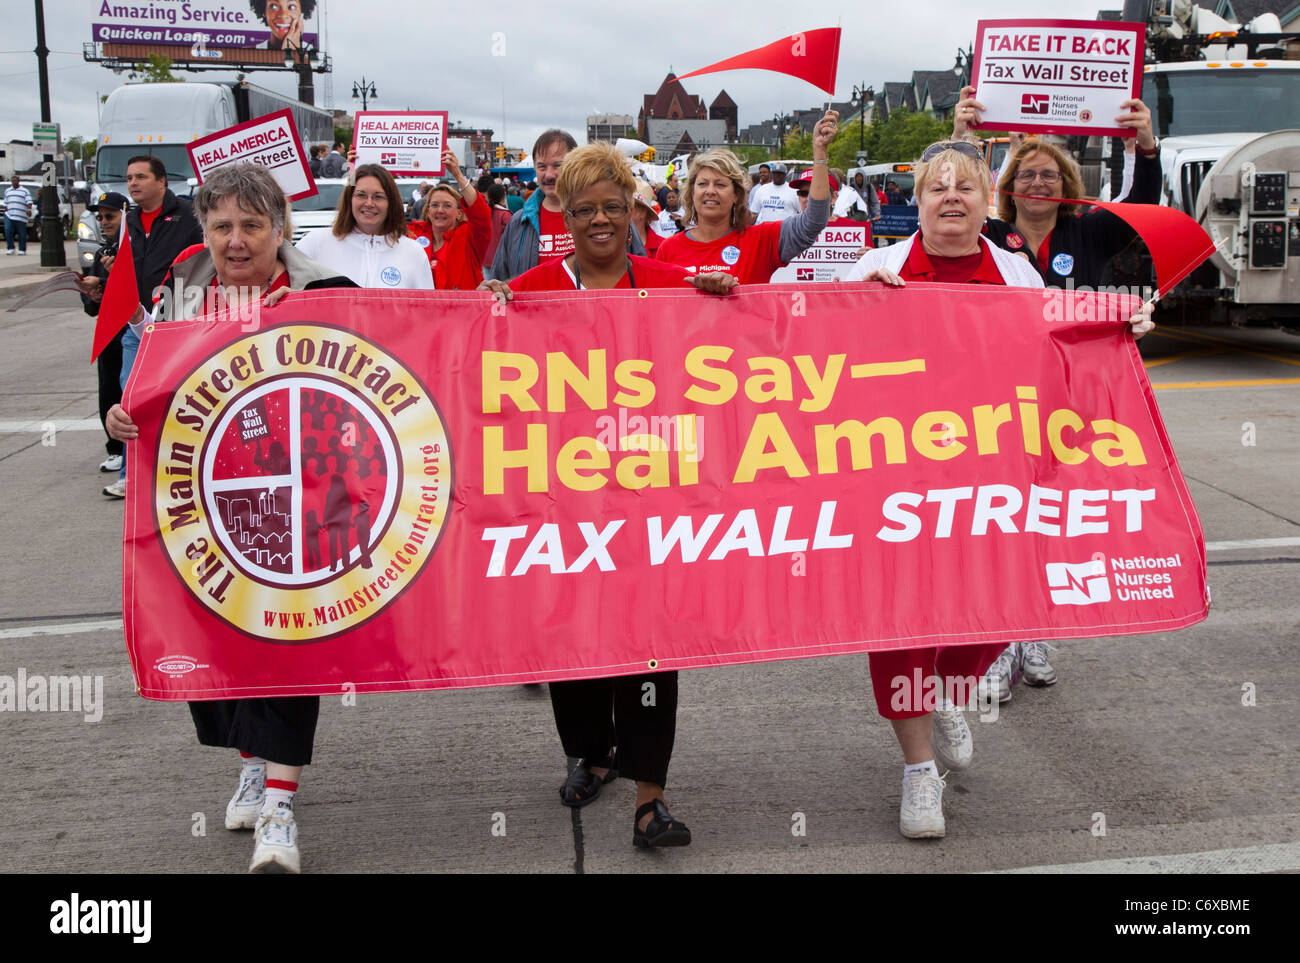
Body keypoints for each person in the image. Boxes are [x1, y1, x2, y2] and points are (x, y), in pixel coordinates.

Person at [845, 140, 1154, 838]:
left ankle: (949, 689)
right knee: (896, 618)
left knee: (994, 607)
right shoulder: (873, 268)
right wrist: (856, 307)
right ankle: (920, 769)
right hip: (895, 479)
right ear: (915, 202)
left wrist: (1123, 323)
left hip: (994, 477)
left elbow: (1068, 337)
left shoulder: (1019, 273)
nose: (951, 197)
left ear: (989, 201)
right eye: (936, 187)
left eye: (965, 186)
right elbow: (788, 332)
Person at [479, 141, 735, 849]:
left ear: (633, 212)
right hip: (563, 502)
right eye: (585, 207)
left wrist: (721, 299)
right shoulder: (528, 291)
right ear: (564, 211)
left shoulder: (668, 282)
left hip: (652, 500)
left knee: (653, 646)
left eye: (613, 207)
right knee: (573, 641)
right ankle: (593, 754)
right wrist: (481, 314)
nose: (599, 220)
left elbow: (738, 350)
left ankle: (650, 797)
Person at [106, 162, 358, 874]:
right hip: (207, 507)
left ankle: (279, 803)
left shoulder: (326, 294)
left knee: (286, 646)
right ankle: (251, 762)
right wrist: (118, 414)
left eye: (253, 225)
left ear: (280, 229)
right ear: (205, 232)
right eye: (222, 226)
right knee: (217, 644)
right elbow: (140, 388)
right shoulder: (179, 295)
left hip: (306, 505)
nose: (237, 240)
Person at [951, 84, 1160, 289]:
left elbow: (1141, 206)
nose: (1037, 183)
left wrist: (1146, 147)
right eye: (1026, 175)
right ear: (1010, 189)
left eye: (1049, 175)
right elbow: (949, 198)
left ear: (1065, 187)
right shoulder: (987, 235)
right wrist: (959, 137)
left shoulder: (1089, 233)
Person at [100, 156, 204, 499]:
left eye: (141, 176)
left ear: (162, 181)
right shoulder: (127, 221)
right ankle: (132, 476)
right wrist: (102, 277)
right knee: (132, 396)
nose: (132, 183)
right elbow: (122, 268)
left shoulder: (188, 215)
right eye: (129, 177)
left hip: (178, 320)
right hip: (135, 325)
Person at [655, 110, 838, 283]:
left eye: (720, 184)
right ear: (692, 193)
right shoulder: (668, 249)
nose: (710, 190)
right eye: (702, 184)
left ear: (736, 195)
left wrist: (820, 151)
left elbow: (814, 221)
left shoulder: (762, 240)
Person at [490, 129, 646, 281]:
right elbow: (500, 280)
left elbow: (640, 272)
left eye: (557, 165)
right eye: (542, 166)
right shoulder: (519, 223)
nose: (549, 174)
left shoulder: (613, 217)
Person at [296, 164, 433, 289]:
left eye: (378, 197)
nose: (369, 203)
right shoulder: (316, 243)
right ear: (350, 199)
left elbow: (425, 310)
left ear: (391, 203)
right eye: (361, 195)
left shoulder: (413, 252)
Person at [74, 191, 130, 476]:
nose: (104, 222)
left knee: (128, 392)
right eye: (101, 217)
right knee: (108, 390)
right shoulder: (101, 254)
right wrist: (93, 294)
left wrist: (108, 279)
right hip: (110, 335)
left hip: (133, 332)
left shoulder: (136, 249)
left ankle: (129, 451)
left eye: (111, 216)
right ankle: (114, 449)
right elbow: (91, 307)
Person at [405, 150, 491, 289]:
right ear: (428, 211)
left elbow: (482, 215)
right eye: (435, 205)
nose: (440, 210)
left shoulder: (470, 238)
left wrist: (457, 174)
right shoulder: (412, 234)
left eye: (447, 205)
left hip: (461, 309)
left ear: (458, 213)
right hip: (420, 309)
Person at [484, 183, 512, 269]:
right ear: (503, 197)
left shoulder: (485, 213)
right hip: (501, 259)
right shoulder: (505, 215)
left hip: (485, 258)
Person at [4, 175, 33, 255]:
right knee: (8, 231)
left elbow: (29, 202)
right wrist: (5, 211)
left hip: (21, 216)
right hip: (9, 215)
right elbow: (6, 203)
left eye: (15, 181)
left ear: (18, 181)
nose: (14, 182)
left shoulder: (25, 191)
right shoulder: (7, 191)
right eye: (12, 181)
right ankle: (10, 248)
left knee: (22, 233)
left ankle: (22, 249)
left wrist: (29, 210)